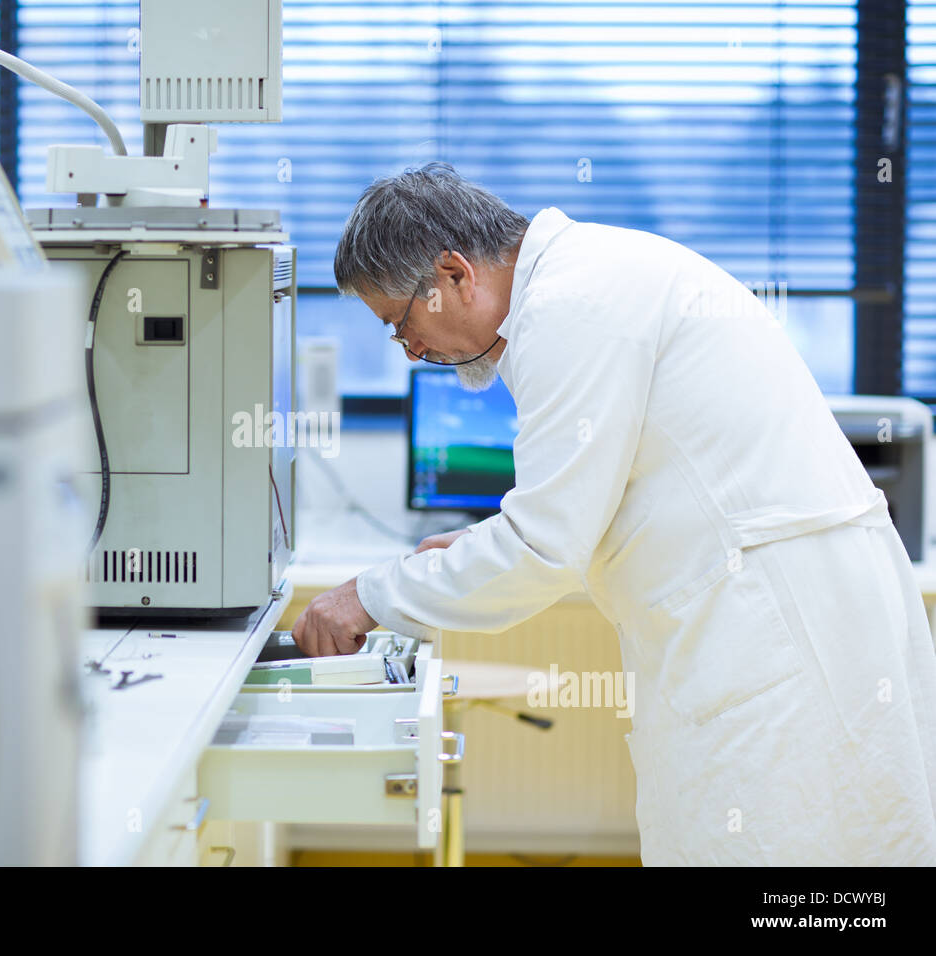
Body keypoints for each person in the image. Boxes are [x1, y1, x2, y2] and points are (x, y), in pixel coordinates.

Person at [292, 161, 936, 865]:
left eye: (401, 323)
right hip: (781, 610)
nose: (410, 351)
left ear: (452, 274)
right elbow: (577, 513)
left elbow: (542, 549)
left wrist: (369, 596)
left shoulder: (571, 307)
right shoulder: (585, 280)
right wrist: (479, 549)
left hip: (776, 630)